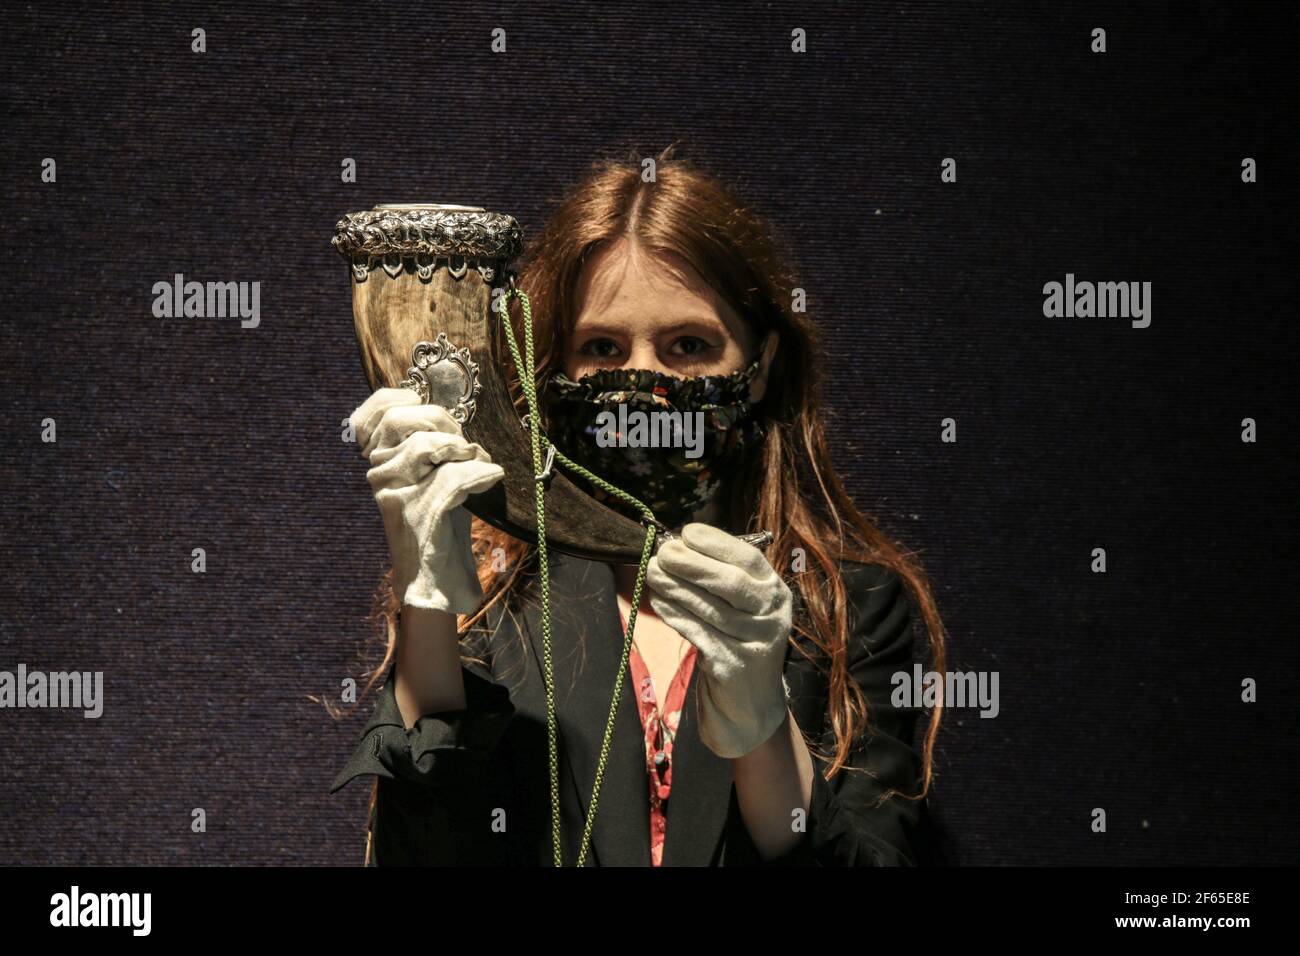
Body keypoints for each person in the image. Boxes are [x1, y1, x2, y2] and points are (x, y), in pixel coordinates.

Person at [330, 148, 949, 866]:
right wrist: (427, 593)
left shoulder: (846, 606)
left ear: (760, 367)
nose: (644, 382)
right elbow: (427, 850)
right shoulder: (499, 597)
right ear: (553, 370)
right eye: (602, 347)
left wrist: (761, 726)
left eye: (688, 345)